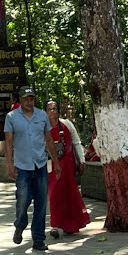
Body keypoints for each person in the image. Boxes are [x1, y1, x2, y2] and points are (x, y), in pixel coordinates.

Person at [4, 86, 59, 251]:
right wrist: (9, 165)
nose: (29, 102)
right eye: (26, 99)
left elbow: (49, 139)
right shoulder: (11, 117)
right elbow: (8, 142)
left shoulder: (42, 115)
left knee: (41, 204)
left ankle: (39, 239)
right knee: (23, 200)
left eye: (32, 98)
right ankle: (20, 225)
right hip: (22, 166)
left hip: (40, 164)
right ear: (20, 100)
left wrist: (56, 162)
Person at [46, 100, 90, 238]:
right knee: (54, 193)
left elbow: (76, 142)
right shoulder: (43, 127)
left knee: (69, 193)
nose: (52, 111)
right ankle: (55, 225)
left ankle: (70, 224)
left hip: (67, 163)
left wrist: (82, 160)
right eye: (49, 109)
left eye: (54, 108)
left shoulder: (66, 124)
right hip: (51, 165)